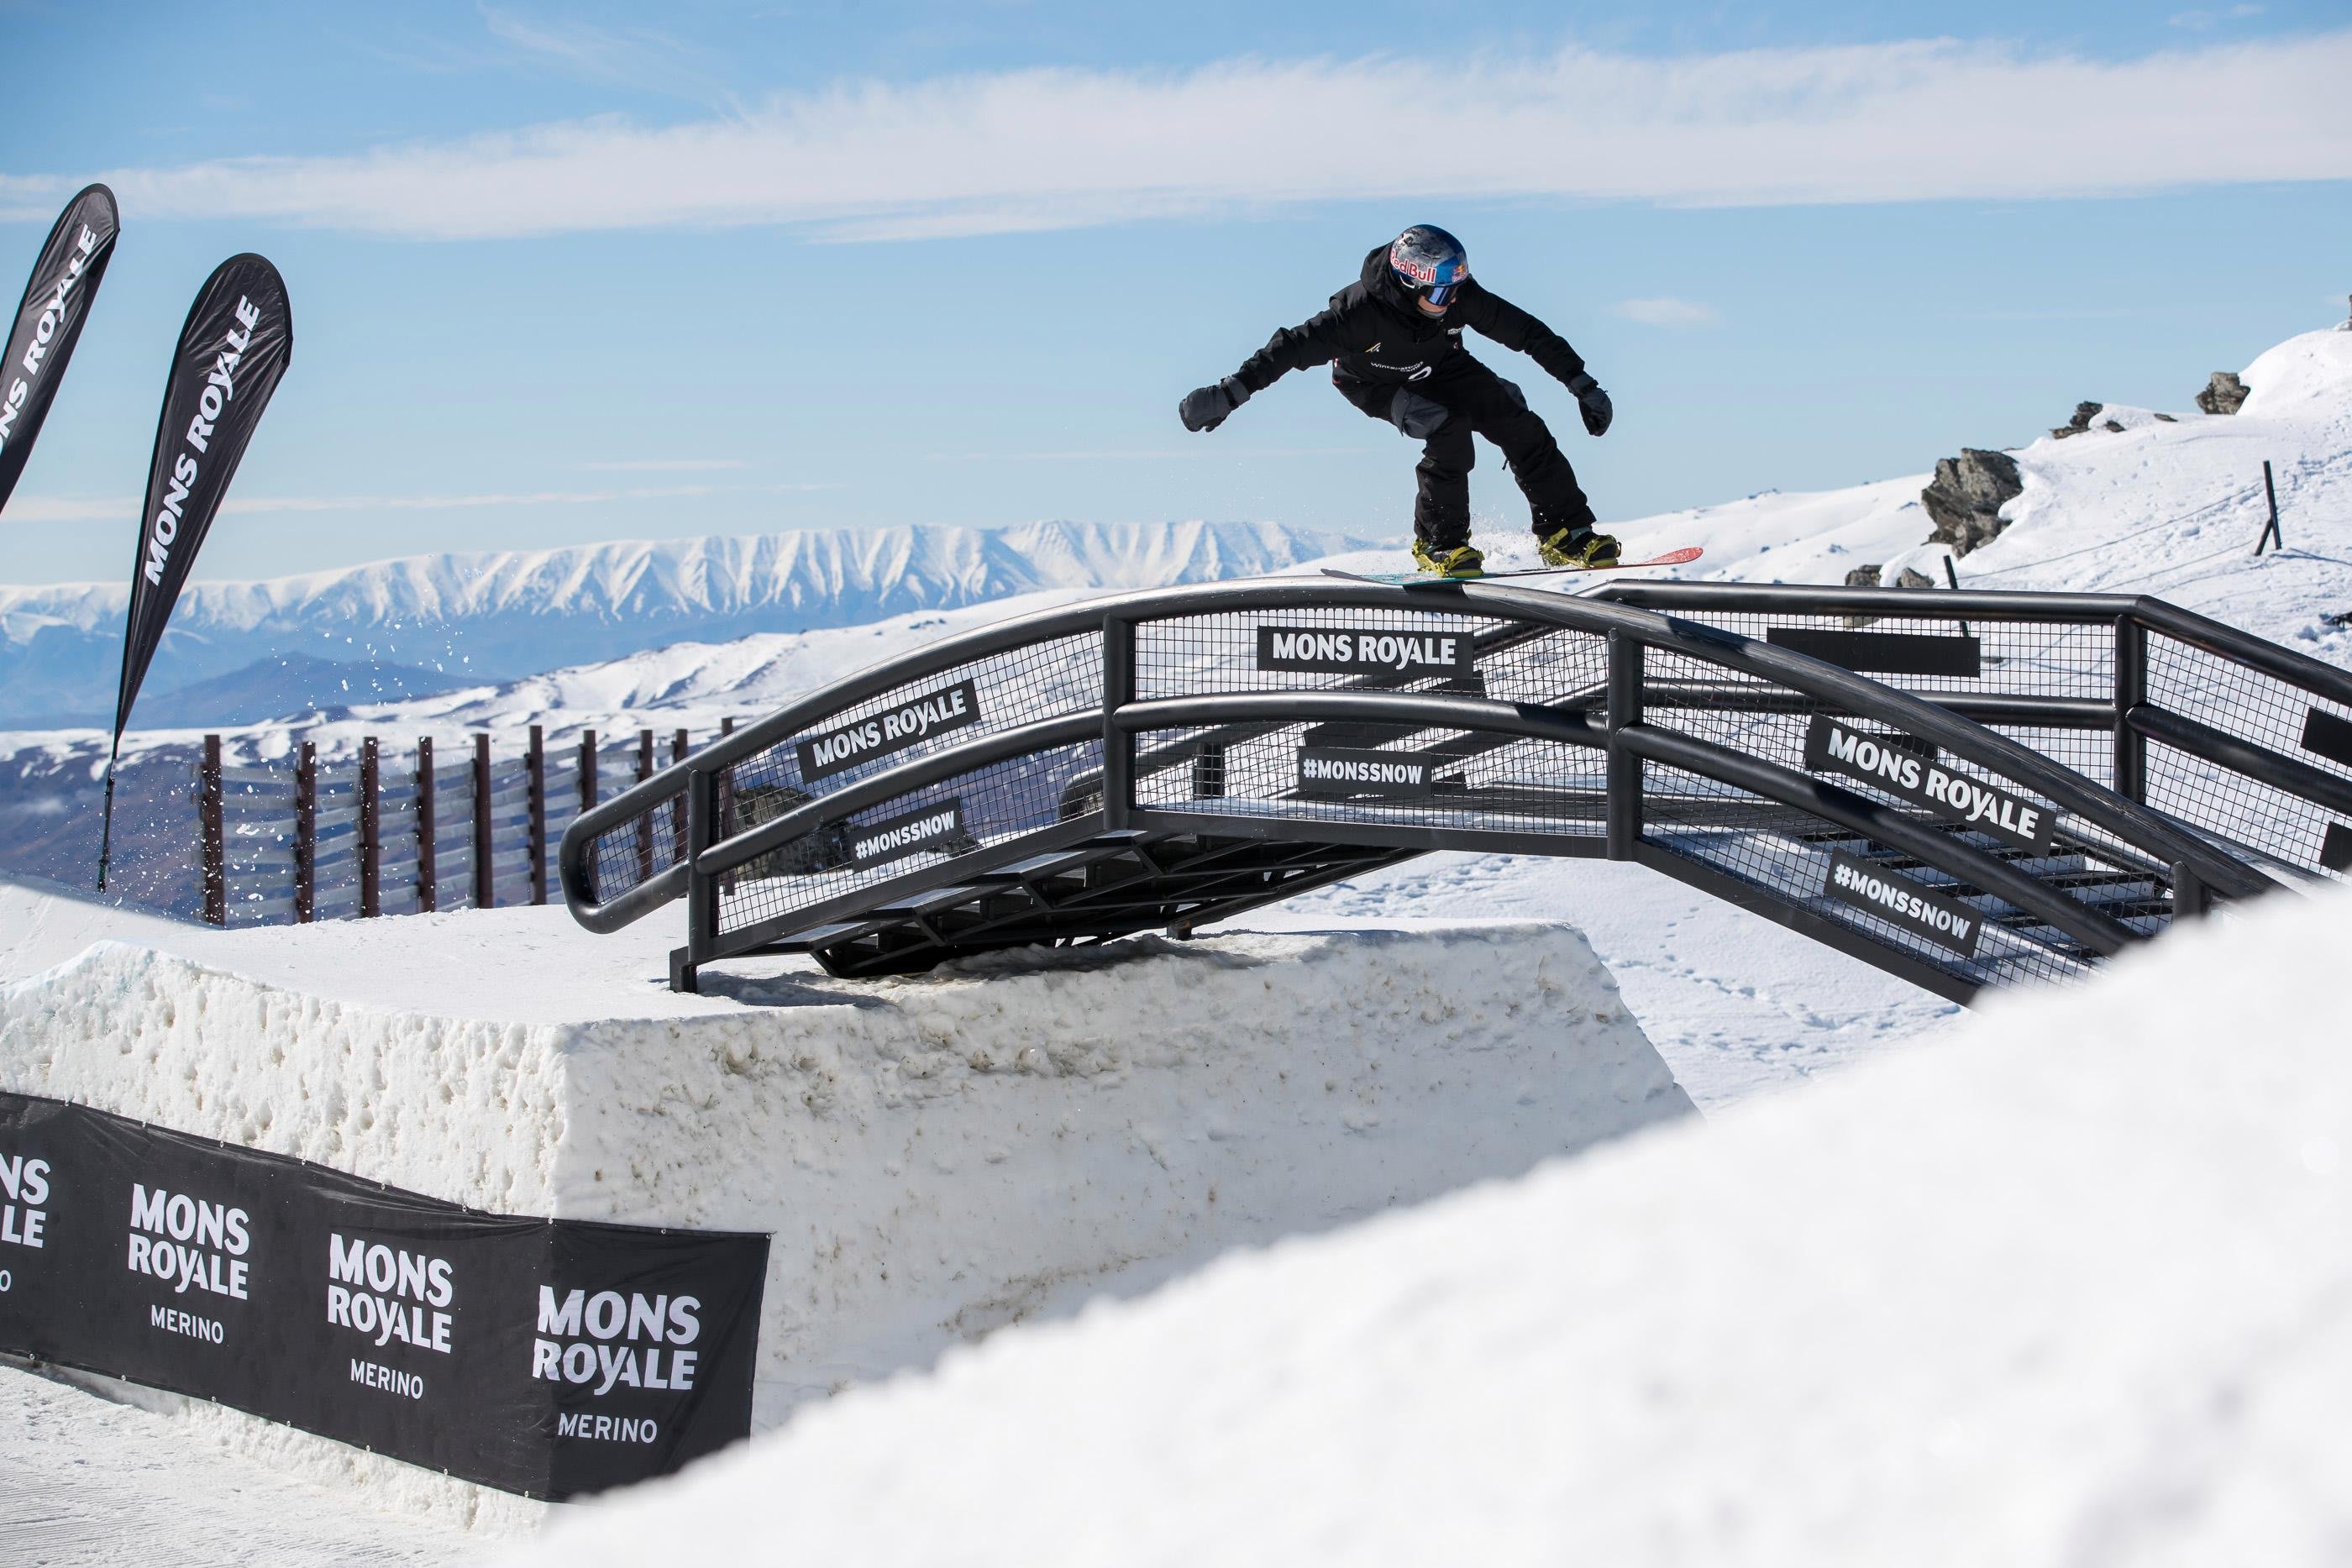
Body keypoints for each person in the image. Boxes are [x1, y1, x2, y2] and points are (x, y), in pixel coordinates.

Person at [1179, 224, 1619, 577]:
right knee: (1449, 432)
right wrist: (1229, 393)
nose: (1450, 302)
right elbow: (1287, 349)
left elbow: (1526, 331)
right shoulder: (1355, 316)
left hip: (1443, 366)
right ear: (1409, 283)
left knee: (1518, 421)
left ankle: (1564, 531)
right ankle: (1439, 543)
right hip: (1376, 385)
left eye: (1455, 291)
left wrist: (1581, 384)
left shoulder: (1457, 297)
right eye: (1440, 293)